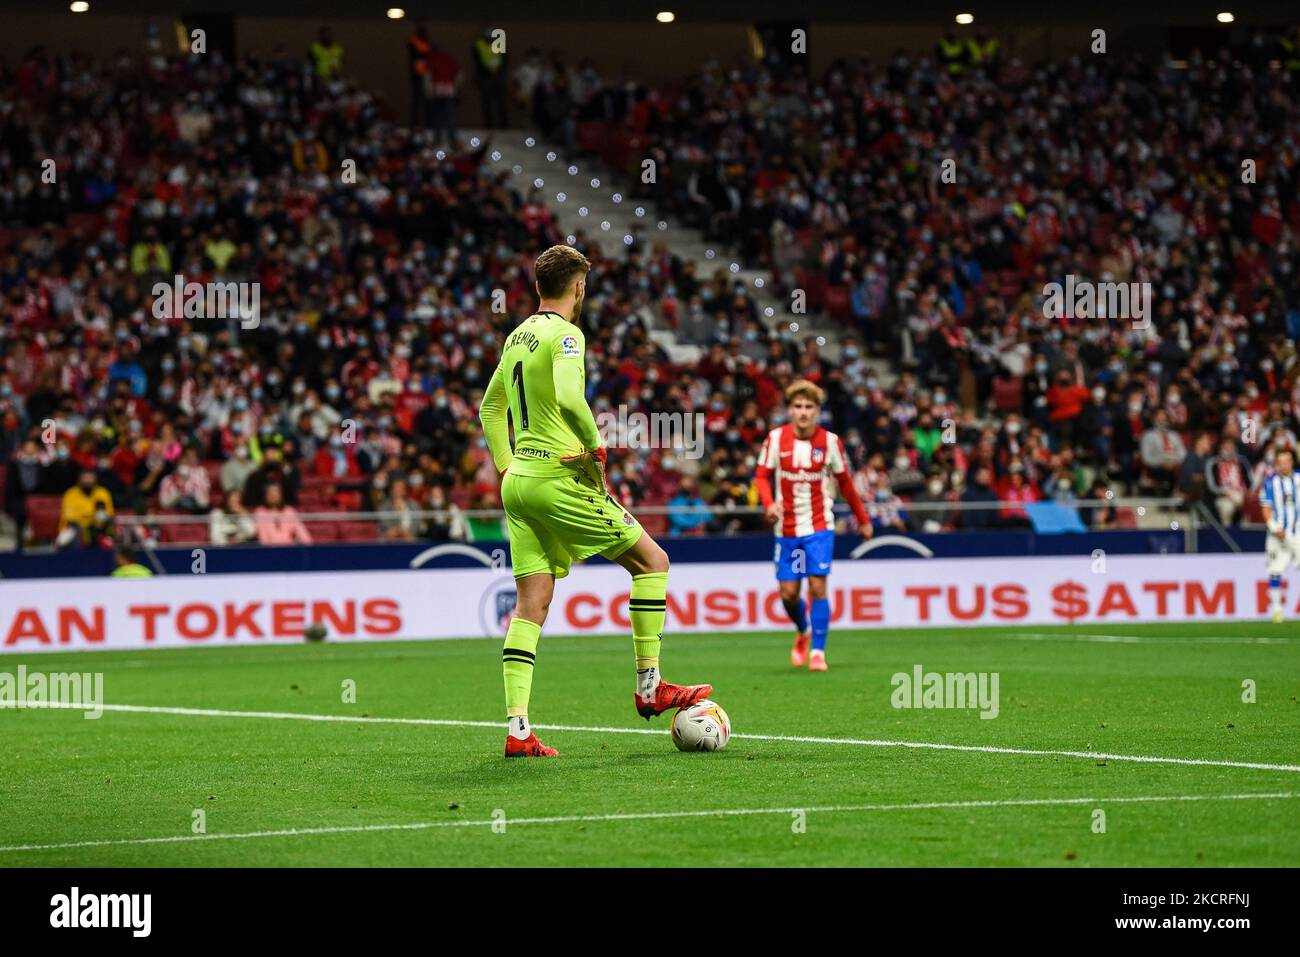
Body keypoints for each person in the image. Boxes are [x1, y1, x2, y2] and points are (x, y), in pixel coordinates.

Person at [478, 244, 712, 758]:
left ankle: (518, 731)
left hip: (519, 483)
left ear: (540, 286)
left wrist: (506, 464)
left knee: (531, 604)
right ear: (578, 286)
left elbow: (489, 407)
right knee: (652, 561)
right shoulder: (566, 335)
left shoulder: (515, 337)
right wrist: (596, 445)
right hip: (560, 476)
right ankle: (650, 688)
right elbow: (567, 396)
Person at [753, 379, 872, 672]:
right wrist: (769, 503)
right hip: (788, 529)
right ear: (790, 410)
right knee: (789, 593)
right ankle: (803, 630)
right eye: (798, 406)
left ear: (818, 410)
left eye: (809, 406)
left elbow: (845, 483)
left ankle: (818, 651)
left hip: (819, 525)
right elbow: (760, 476)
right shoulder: (776, 439)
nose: (803, 412)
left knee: (818, 586)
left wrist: (863, 519)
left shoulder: (830, 442)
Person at [1260, 447, 1300, 623]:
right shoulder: (1270, 482)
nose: (1284, 465)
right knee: (1275, 571)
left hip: (1298, 533)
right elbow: (1266, 509)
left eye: (1287, 461)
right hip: (1277, 535)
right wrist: (1275, 528)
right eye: (1280, 462)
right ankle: (1277, 610)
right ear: (1276, 464)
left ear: (1292, 462)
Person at [57, 468, 114, 549]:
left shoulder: (103, 493)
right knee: (74, 533)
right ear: (79, 480)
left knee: (108, 532)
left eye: (90, 478)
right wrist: (90, 520)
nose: (88, 481)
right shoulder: (70, 494)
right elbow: (71, 519)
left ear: (95, 479)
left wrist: (96, 523)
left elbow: (108, 514)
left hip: (98, 527)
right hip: (75, 529)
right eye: (85, 478)